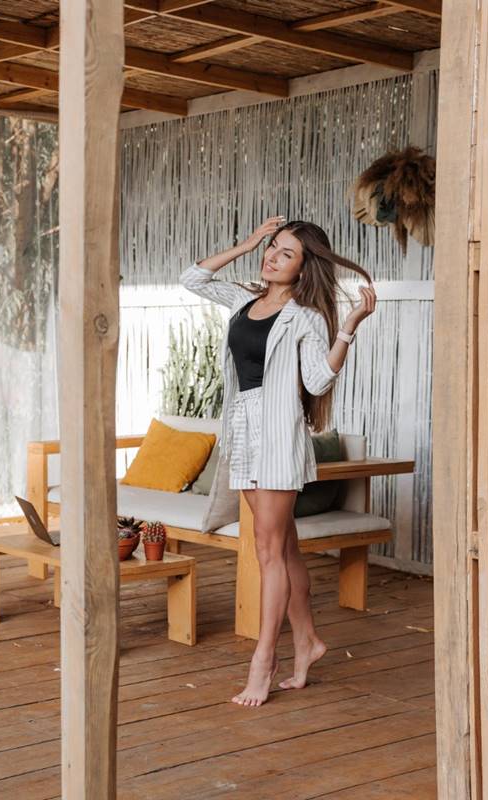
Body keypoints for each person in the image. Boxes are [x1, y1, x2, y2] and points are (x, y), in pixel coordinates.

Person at [181, 216, 377, 707]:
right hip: (243, 433)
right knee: (284, 548)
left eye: (286, 253)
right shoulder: (243, 300)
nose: (272, 257)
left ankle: (264, 662)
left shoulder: (304, 317)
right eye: (272, 247)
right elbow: (192, 278)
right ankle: (307, 642)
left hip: (276, 438)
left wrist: (349, 328)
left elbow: (317, 381)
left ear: (304, 268)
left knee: (267, 552)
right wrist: (246, 242)